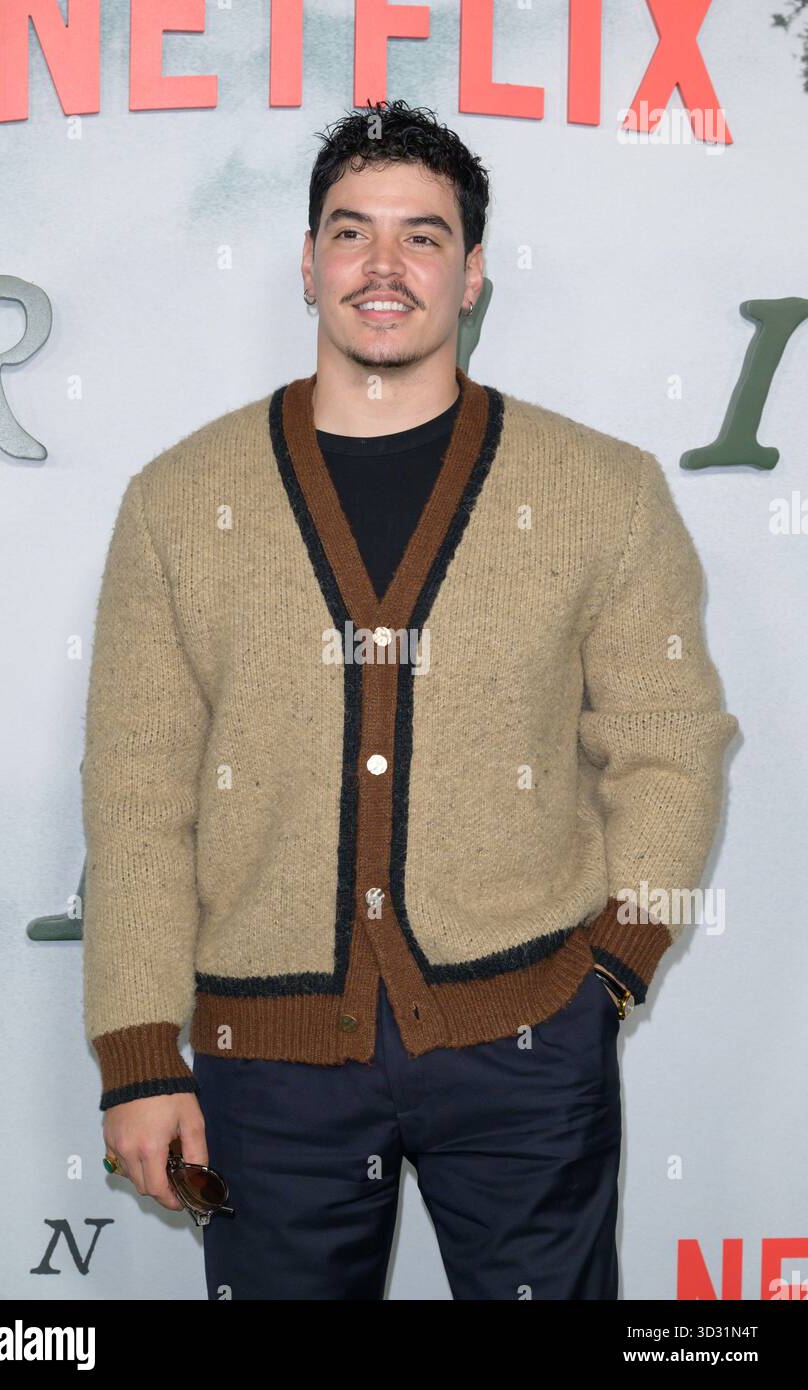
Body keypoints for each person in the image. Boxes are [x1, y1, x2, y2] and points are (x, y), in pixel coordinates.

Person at [82, 99, 739, 1300]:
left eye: (424, 236)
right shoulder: (177, 501)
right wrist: (137, 1056)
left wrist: (616, 964)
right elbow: (137, 793)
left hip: (532, 1045)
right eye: (352, 232)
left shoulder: (604, 489)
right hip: (265, 1064)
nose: (384, 267)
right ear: (307, 261)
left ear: (473, 272)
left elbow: (669, 740)